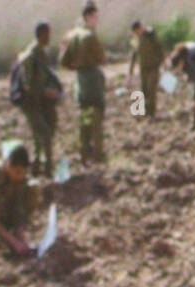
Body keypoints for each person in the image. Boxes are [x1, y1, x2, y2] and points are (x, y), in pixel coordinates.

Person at [60, 2, 107, 165]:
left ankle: (83, 154)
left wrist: (77, 66)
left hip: (80, 81)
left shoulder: (72, 35)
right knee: (97, 118)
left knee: (84, 119)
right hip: (93, 79)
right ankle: (98, 155)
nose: (96, 20)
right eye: (95, 17)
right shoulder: (90, 35)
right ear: (88, 17)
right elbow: (102, 58)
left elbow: (63, 61)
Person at [16, 22, 61, 178]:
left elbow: (45, 76)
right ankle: (47, 170)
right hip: (30, 104)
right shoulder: (31, 56)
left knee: (43, 132)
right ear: (42, 35)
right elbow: (29, 85)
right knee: (45, 133)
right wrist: (45, 92)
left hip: (40, 102)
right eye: (48, 34)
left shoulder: (41, 54)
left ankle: (36, 166)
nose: (50, 37)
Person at [127, 20, 165, 119]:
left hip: (153, 67)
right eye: (135, 32)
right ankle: (143, 113)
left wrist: (161, 63)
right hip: (143, 68)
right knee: (143, 90)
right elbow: (133, 55)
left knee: (151, 89)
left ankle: (152, 114)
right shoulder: (135, 40)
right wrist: (130, 72)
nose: (137, 33)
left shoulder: (151, 35)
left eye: (137, 31)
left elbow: (160, 49)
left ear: (141, 28)